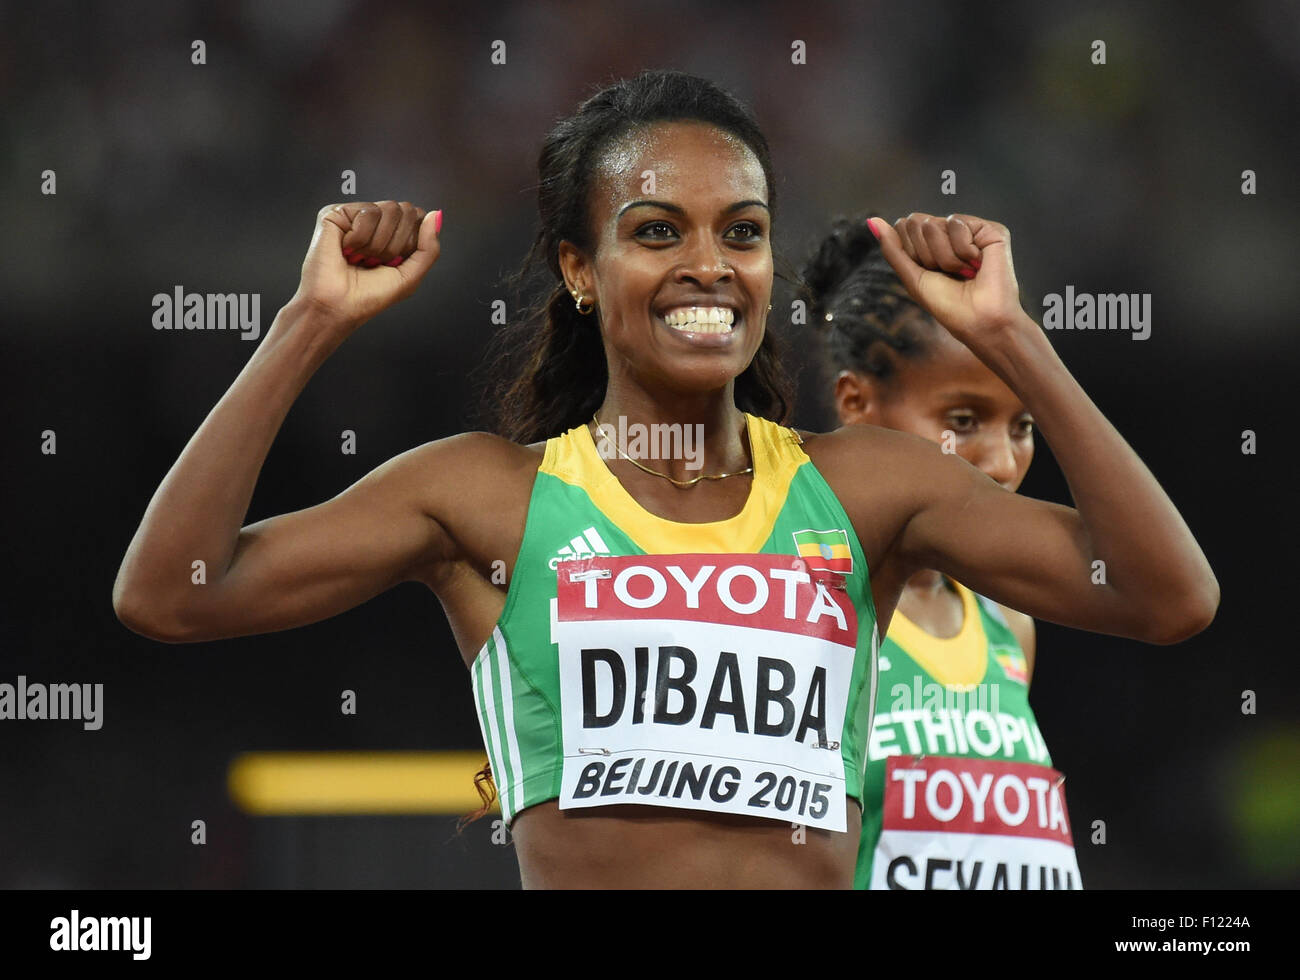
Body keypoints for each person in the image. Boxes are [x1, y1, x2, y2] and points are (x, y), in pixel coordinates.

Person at [112, 69, 1218, 889]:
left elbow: (1167, 596)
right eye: (655, 231)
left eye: (742, 231)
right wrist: (310, 324)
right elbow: (174, 589)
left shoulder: (869, 490)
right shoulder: (484, 496)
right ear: (578, 270)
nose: (707, 265)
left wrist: (1012, 335)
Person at [801, 213, 1078, 889]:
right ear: (855, 404)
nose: (1002, 460)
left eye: (1022, 425)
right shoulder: (802, 606)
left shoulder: (1009, 626)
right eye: (962, 421)